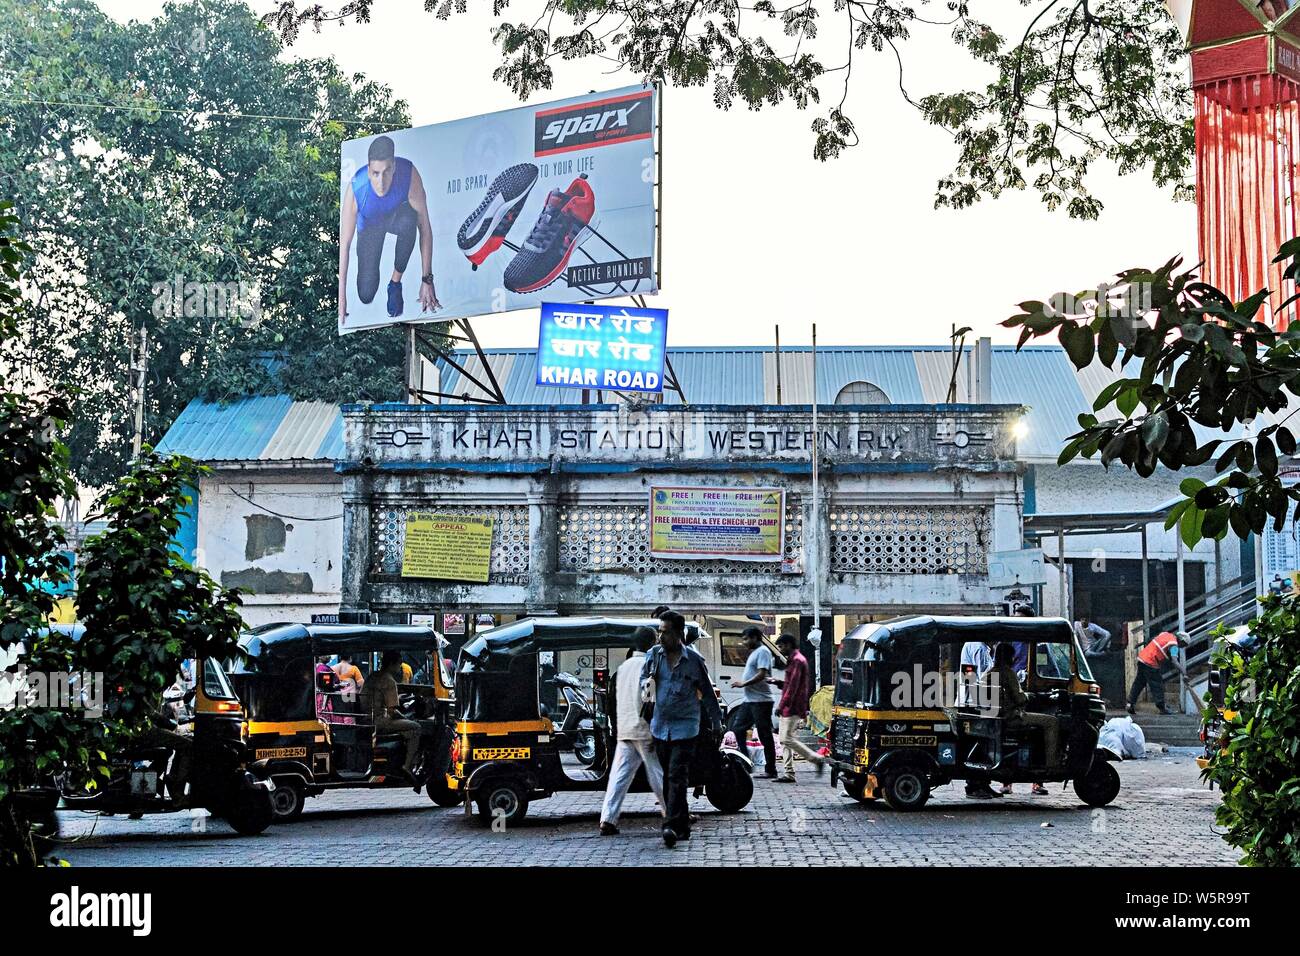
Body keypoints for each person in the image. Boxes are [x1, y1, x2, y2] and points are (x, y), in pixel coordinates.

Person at [338, 134, 440, 322]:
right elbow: (344, 244)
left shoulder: (409, 175)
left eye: (386, 172)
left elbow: (425, 228)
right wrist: (342, 298)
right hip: (370, 228)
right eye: (376, 173)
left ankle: (395, 283)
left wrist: (427, 280)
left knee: (411, 219)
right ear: (369, 171)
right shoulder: (357, 188)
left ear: (393, 167)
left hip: (396, 217)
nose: (381, 182)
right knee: (366, 294)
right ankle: (374, 283)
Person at [643, 610, 723, 847]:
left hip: (686, 727)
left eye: (666, 633)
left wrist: (717, 721)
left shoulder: (694, 661)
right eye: (660, 632)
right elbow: (644, 687)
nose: (661, 637)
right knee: (670, 776)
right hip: (660, 726)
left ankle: (670, 825)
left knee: (677, 774)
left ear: (679, 634)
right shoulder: (653, 656)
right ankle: (683, 826)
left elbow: (707, 693)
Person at [598, 627, 666, 835]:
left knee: (619, 776)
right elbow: (650, 699)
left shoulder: (624, 667)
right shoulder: (649, 665)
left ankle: (608, 819)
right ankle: (673, 813)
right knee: (658, 774)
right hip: (644, 728)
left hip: (625, 728)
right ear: (651, 643)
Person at [986, 642, 1061, 771]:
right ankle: (1051, 764)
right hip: (1012, 717)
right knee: (1052, 722)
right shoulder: (1008, 673)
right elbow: (1019, 698)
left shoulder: (989, 673)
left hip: (998, 718)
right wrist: (1028, 696)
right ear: (1009, 657)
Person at [1003, 606, 1048, 795]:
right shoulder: (1009, 642)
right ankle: (1006, 782)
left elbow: (1045, 667)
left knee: (1037, 735)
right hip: (1013, 694)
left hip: (1033, 691)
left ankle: (1037, 782)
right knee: (1008, 737)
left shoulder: (1039, 644)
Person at [771, 633, 826, 782]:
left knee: (786, 739)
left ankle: (815, 759)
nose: (780, 650)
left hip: (792, 707)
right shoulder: (794, 660)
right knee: (785, 740)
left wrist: (781, 705)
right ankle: (789, 773)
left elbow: (793, 687)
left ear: (788, 644)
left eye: (781, 646)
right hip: (790, 705)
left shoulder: (797, 660)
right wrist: (778, 682)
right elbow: (790, 684)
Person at [363, 650, 421, 784]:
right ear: (391, 664)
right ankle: (407, 766)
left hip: (366, 718)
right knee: (416, 727)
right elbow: (392, 711)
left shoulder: (371, 677)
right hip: (380, 721)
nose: (400, 667)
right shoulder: (389, 681)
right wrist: (407, 718)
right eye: (399, 663)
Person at [727, 626, 777, 778]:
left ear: (755, 637)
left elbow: (762, 674)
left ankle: (770, 769)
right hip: (750, 700)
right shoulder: (755, 653)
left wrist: (744, 683)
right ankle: (746, 762)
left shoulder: (763, 651)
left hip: (761, 701)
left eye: (746, 638)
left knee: (764, 735)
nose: (744, 642)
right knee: (737, 728)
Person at [959, 638, 1000, 799]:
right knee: (980, 742)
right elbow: (985, 676)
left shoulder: (980, 647)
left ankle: (983, 783)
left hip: (976, 699)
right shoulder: (979, 648)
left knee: (983, 742)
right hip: (977, 701)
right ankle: (975, 784)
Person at [1127, 630, 1186, 715]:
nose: (1182, 647)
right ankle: (1162, 708)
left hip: (1142, 658)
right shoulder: (1174, 645)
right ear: (1182, 641)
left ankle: (1130, 703)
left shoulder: (1166, 634)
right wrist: (1184, 673)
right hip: (1151, 662)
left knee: (1139, 683)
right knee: (1157, 685)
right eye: (1184, 645)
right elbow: (1174, 661)